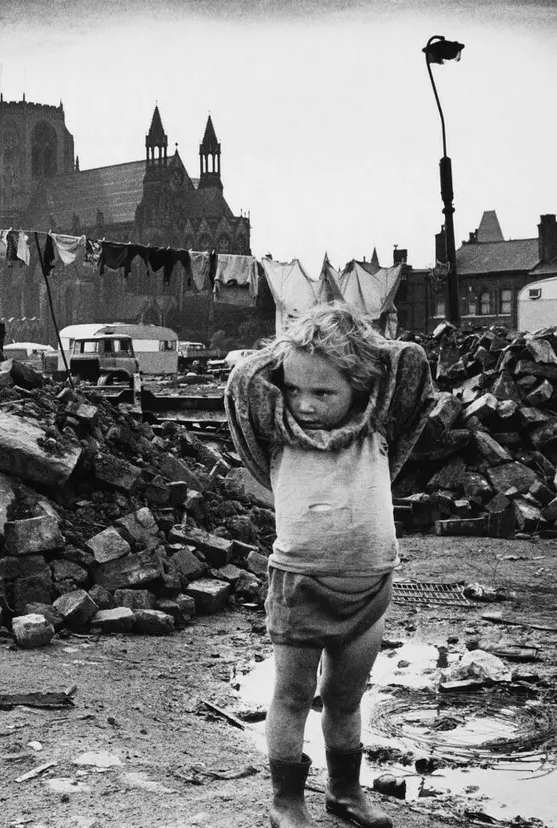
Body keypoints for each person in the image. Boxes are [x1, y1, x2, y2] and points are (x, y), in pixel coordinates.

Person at [224, 303, 434, 828]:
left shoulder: (378, 426)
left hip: (370, 587)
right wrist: (291, 349)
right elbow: (242, 379)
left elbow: (409, 362)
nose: (306, 405)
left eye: (324, 393)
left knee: (345, 697)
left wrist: (350, 341)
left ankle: (344, 794)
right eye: (295, 390)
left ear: (361, 388)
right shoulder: (276, 432)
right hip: (301, 584)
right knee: (292, 695)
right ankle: (286, 802)